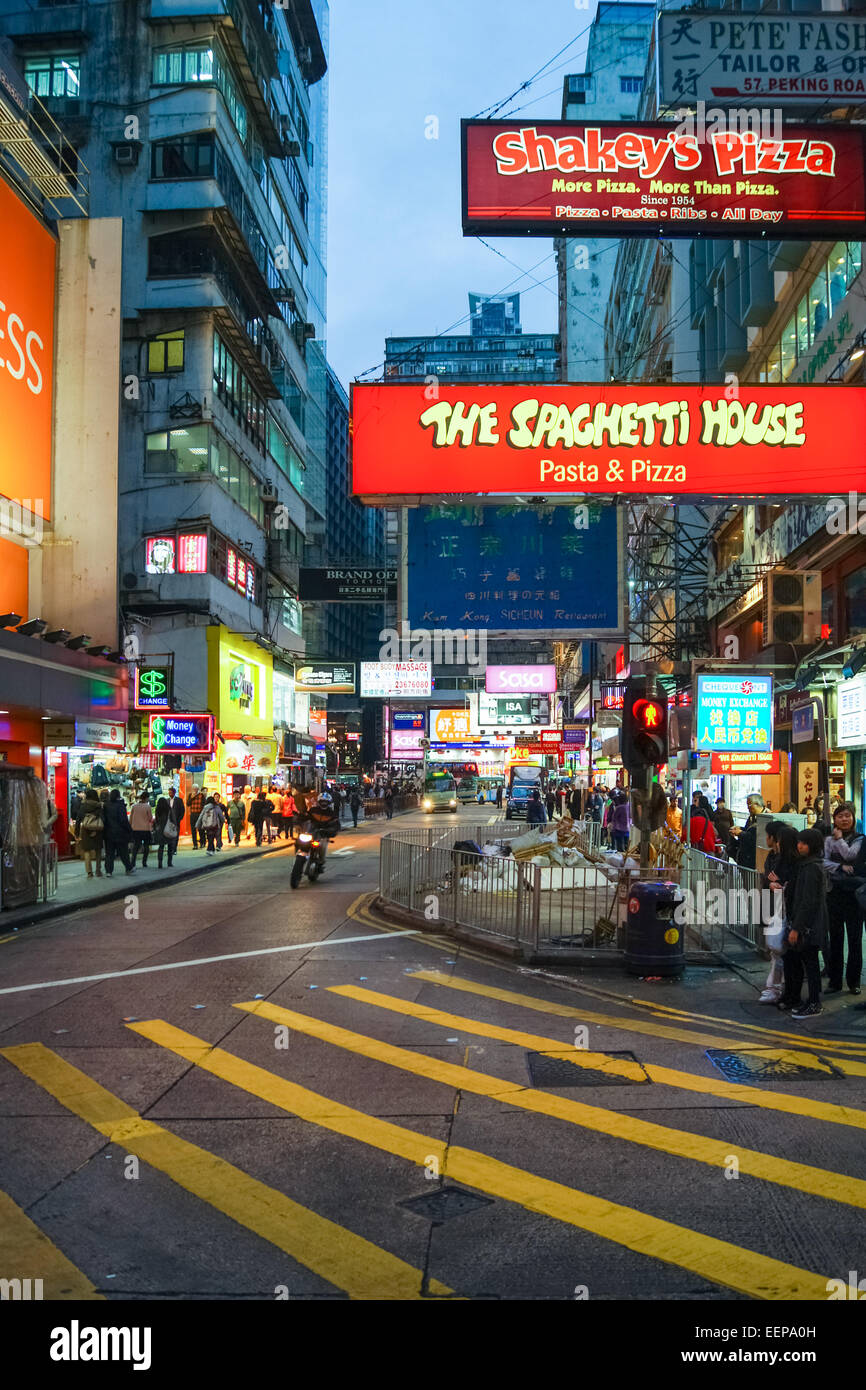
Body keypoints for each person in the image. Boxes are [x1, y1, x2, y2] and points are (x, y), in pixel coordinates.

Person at [780, 828, 829, 1019]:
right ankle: (811, 1001)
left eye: (804, 843)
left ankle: (814, 1003)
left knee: (811, 965)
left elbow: (808, 902)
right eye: (799, 842)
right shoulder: (807, 865)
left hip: (810, 925)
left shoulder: (811, 868)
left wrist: (797, 928)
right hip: (809, 923)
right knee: (809, 963)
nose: (799, 846)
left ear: (813, 845)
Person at [823, 801, 866, 996]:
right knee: (836, 940)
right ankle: (834, 981)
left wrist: (839, 841)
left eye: (847, 815)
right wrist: (839, 867)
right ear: (835, 819)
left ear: (853, 817)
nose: (844, 819)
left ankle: (854, 982)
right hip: (834, 894)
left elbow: (851, 857)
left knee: (855, 941)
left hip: (855, 896)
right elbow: (823, 861)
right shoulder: (827, 840)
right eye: (840, 816)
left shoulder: (860, 839)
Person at [760, 822, 799, 1004]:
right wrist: (771, 883)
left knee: (781, 952)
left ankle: (778, 989)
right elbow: (767, 877)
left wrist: (780, 885)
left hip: (787, 912)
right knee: (776, 951)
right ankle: (775, 988)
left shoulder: (792, 863)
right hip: (776, 909)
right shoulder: (775, 857)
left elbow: (788, 885)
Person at [104, 788, 134, 876]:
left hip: (108, 832)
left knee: (109, 853)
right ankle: (128, 868)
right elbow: (123, 820)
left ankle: (108, 871)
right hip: (120, 833)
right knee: (123, 852)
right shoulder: (120, 806)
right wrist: (129, 830)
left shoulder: (106, 805)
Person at [75, 789, 105, 879]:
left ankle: (89, 872)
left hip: (86, 830)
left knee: (87, 851)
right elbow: (103, 818)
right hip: (98, 829)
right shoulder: (100, 806)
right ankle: (98, 871)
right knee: (98, 850)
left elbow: (78, 819)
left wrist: (76, 833)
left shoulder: (84, 805)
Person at [731, 793, 764, 869]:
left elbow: (756, 837)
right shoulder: (751, 817)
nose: (748, 808)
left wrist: (740, 833)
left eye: (749, 805)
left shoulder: (766, 817)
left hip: (755, 858)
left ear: (757, 804)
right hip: (746, 858)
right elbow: (748, 830)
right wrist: (740, 829)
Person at [129, 792, 154, 868]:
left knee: (136, 846)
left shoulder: (134, 806)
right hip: (145, 829)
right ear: (146, 798)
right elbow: (150, 818)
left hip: (136, 829)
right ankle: (144, 862)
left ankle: (133, 862)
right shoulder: (148, 806)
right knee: (146, 846)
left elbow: (130, 819)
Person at [153, 796, 177, 869]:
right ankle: (169, 862)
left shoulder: (158, 810)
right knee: (170, 846)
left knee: (161, 847)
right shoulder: (169, 809)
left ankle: (160, 863)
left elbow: (156, 821)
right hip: (168, 830)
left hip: (160, 830)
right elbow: (173, 819)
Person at [187, 784, 205, 849]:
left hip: (199, 814)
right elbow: (188, 803)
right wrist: (192, 798)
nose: (194, 790)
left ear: (198, 789)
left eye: (196, 788)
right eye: (193, 788)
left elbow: (203, 804)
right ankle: (195, 844)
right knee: (193, 830)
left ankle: (202, 842)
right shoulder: (190, 795)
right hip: (193, 814)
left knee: (200, 829)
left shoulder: (201, 795)